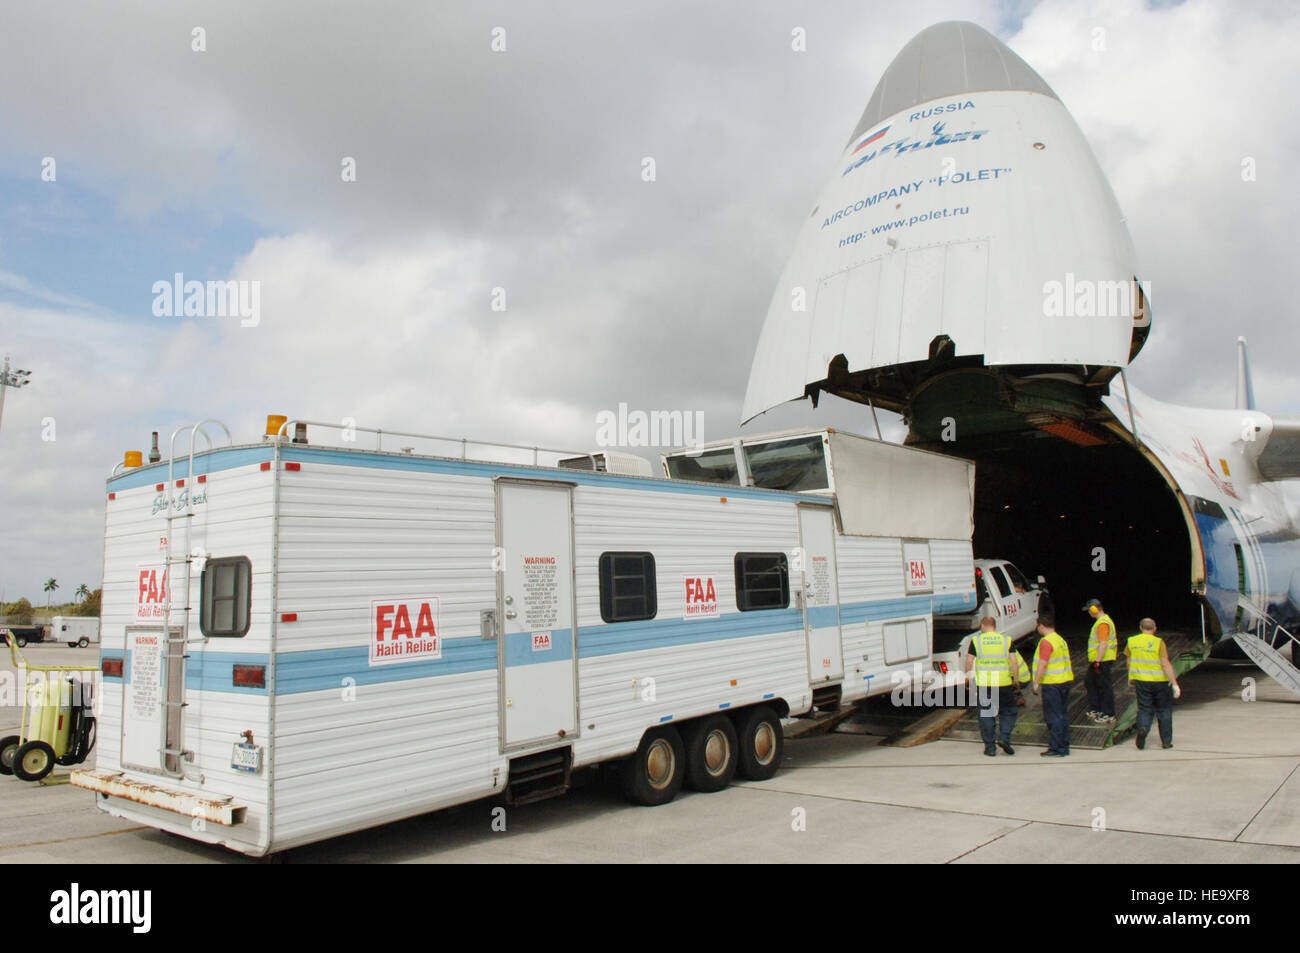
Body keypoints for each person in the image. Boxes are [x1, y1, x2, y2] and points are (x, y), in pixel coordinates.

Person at [1124, 618, 1182, 749]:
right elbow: (1165, 663)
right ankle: (1166, 742)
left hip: (1141, 681)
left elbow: (1129, 662)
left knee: (1144, 709)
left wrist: (1131, 677)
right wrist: (1174, 683)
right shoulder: (1159, 642)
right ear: (1155, 628)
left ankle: (1143, 728)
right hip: (1160, 682)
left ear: (1140, 627)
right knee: (1164, 710)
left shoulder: (1132, 641)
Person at [965, 617, 1018, 756]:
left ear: (983, 626)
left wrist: (968, 679)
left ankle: (990, 748)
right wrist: (1016, 680)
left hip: (985, 684)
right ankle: (1004, 738)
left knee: (987, 714)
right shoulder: (1006, 640)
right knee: (1008, 711)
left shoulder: (976, 641)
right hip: (1004, 683)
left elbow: (969, 661)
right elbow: (1014, 661)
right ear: (994, 626)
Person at [1031, 613, 1073, 756]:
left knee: (1053, 717)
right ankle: (1064, 745)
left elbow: (1043, 663)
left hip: (1052, 684)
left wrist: (1036, 682)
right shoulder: (1060, 640)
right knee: (1062, 715)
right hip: (1064, 681)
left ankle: (1056, 748)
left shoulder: (1046, 642)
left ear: (1041, 626)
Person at [1082, 598, 1117, 724]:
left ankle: (1108, 713)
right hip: (1100, 659)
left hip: (1102, 659)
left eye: (1089, 610)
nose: (1089, 613)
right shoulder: (1101, 622)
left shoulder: (1102, 623)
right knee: (1090, 682)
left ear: (1094, 609)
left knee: (1104, 686)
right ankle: (1096, 708)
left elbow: (1103, 643)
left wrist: (1097, 660)